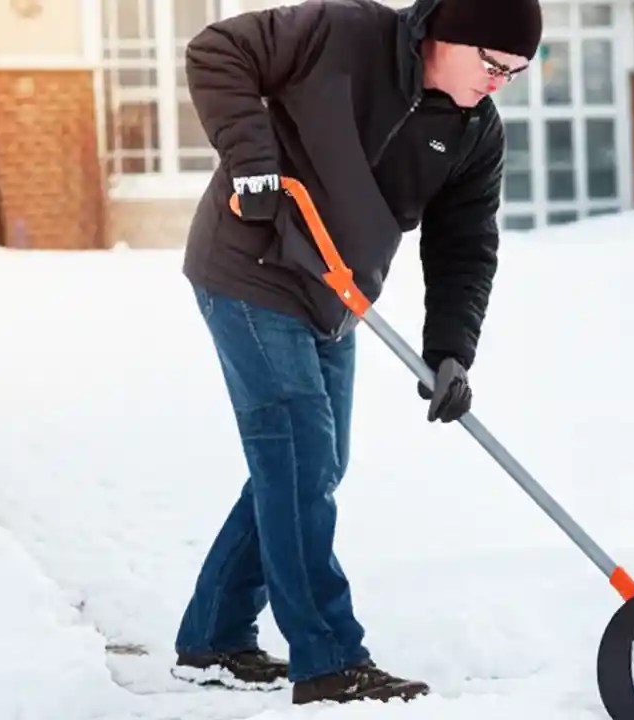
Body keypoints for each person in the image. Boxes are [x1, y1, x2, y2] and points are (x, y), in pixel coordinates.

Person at [169, 0, 542, 707]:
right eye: (493, 65)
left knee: (312, 464)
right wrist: (252, 161)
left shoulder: (472, 132)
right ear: (447, 34)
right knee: (300, 458)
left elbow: (465, 247)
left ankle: (214, 638)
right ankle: (330, 659)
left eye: (514, 74)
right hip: (249, 267)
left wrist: (452, 352)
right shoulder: (343, 35)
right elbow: (219, 51)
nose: (498, 84)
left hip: (335, 295)